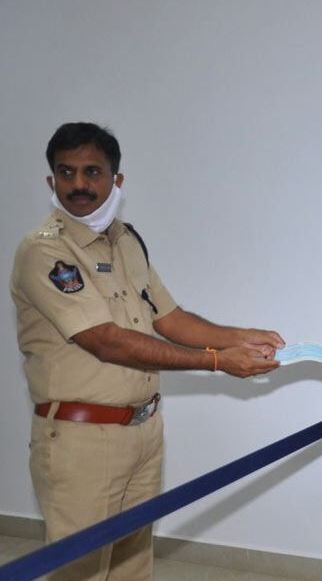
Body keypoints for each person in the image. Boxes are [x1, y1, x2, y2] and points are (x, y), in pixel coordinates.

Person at [10, 122, 285, 581]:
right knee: (82, 571)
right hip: (81, 439)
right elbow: (106, 340)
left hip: (142, 430)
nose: (78, 184)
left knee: (133, 565)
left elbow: (169, 319)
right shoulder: (44, 253)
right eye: (66, 172)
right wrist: (217, 362)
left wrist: (237, 336)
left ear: (116, 180)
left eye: (92, 172)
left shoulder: (126, 240)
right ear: (50, 180)